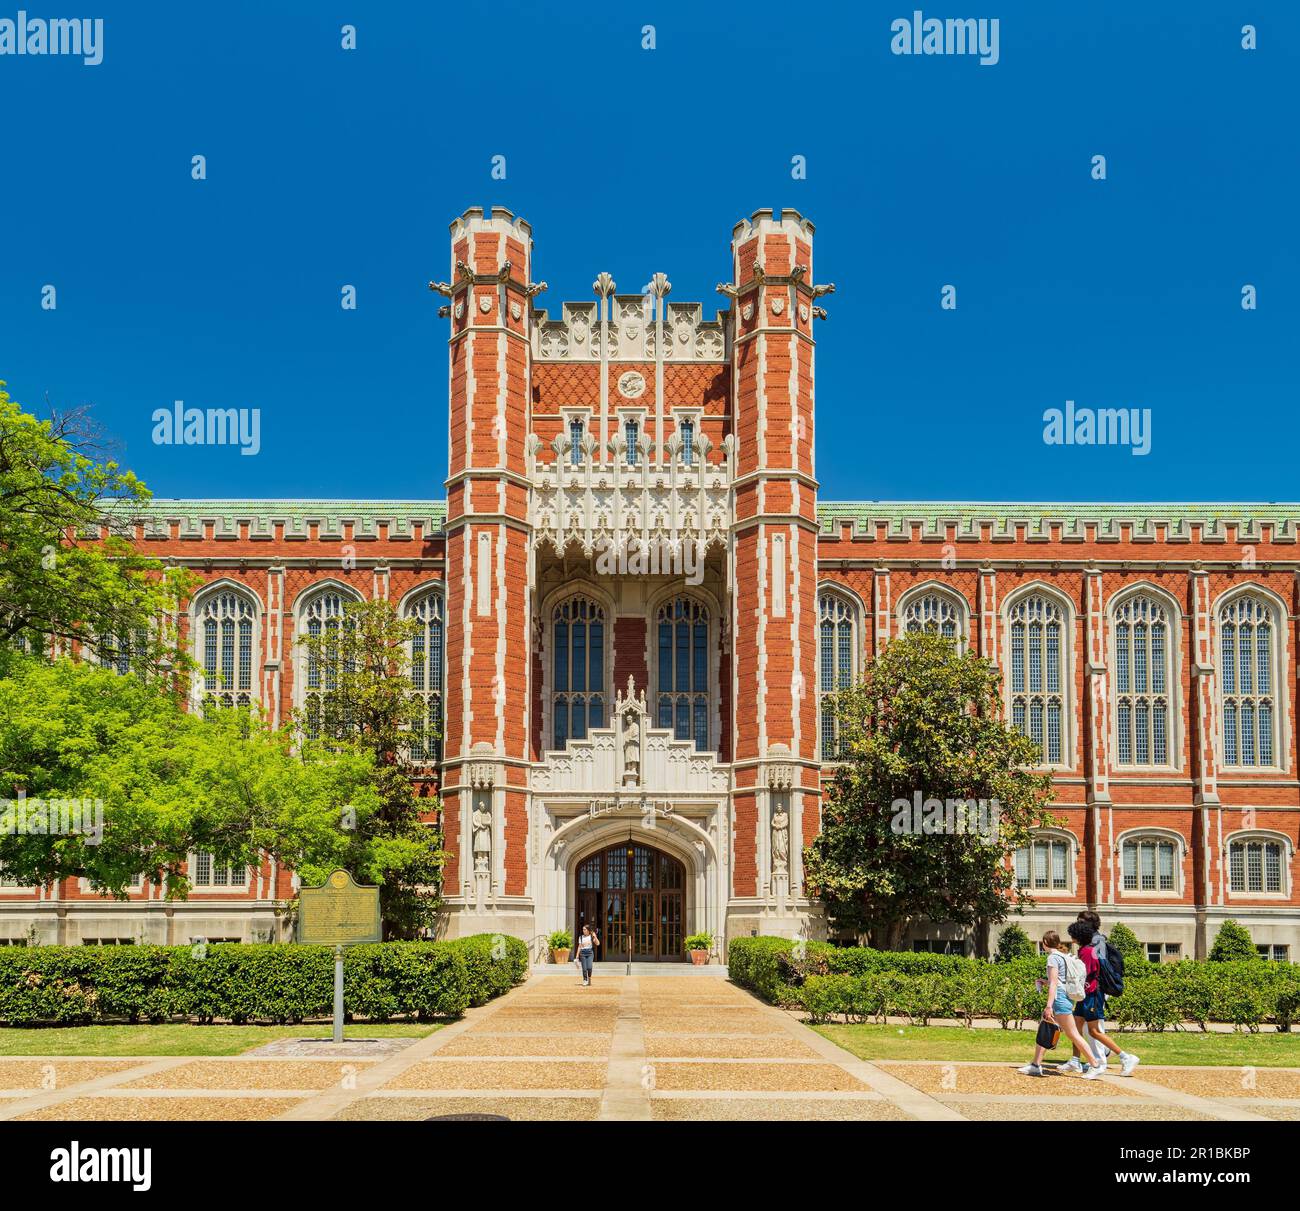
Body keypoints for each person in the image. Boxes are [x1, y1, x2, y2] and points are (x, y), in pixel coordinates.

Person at [1018, 930, 1103, 1078]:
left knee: (1073, 1034)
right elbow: (1057, 981)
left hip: (1059, 999)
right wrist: (1044, 982)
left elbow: (1054, 984)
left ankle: (1095, 1065)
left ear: (1045, 943)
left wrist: (1049, 1005)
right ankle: (1035, 1065)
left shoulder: (1052, 958)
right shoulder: (1062, 956)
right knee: (1045, 1029)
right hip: (1065, 996)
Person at [1064, 916, 1140, 1077]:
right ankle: (1075, 1060)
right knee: (1076, 1028)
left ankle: (1124, 1057)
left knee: (1094, 1031)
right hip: (1086, 995)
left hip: (1092, 995)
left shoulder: (1087, 952)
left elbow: (1087, 975)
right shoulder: (1086, 949)